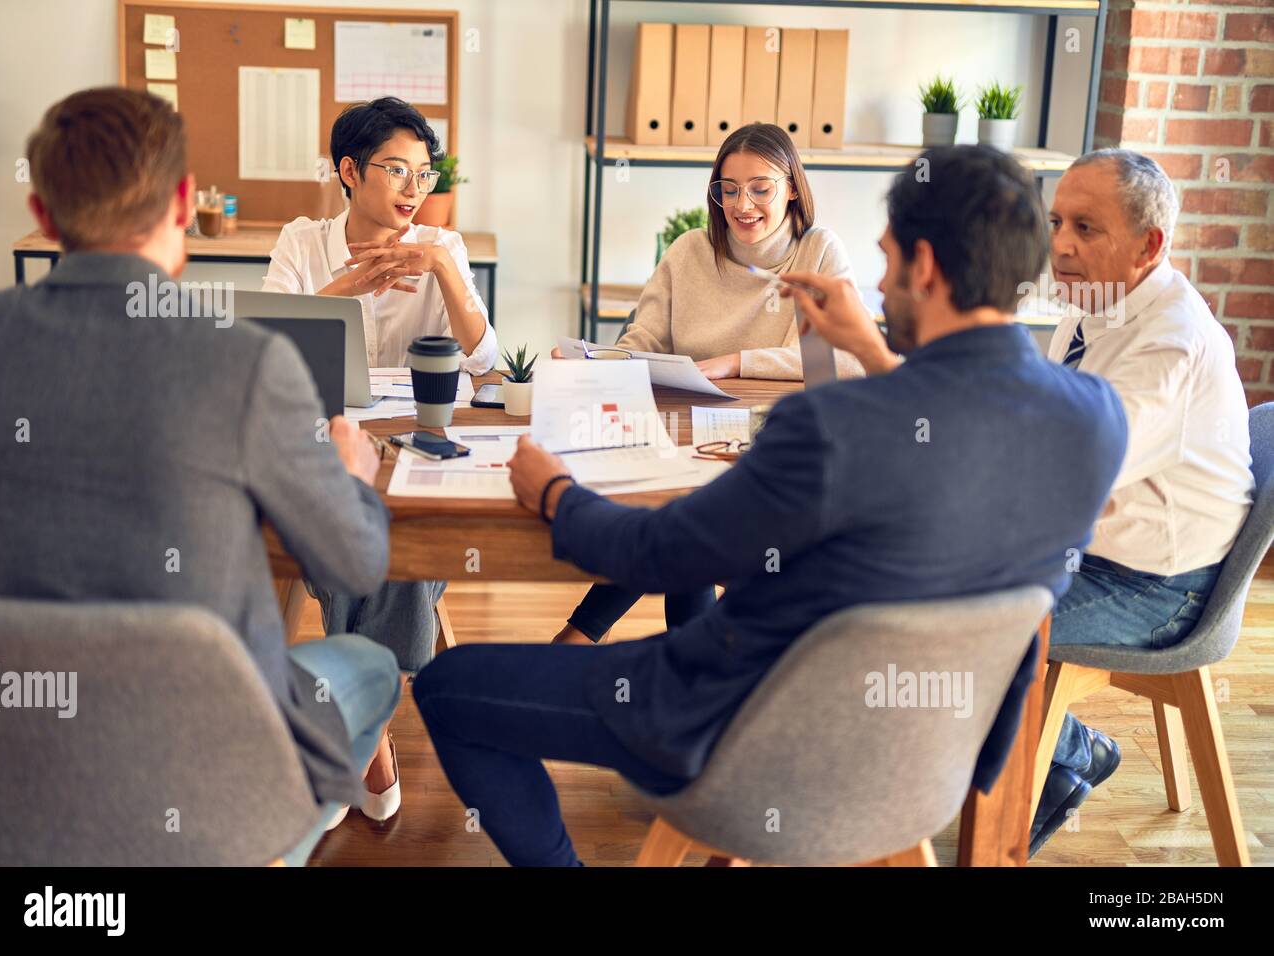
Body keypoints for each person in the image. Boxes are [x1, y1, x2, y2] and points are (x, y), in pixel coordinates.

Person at [411, 145, 1128, 866]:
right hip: (918, 766)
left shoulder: (833, 425)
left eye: (886, 263)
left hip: (741, 739)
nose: (876, 287)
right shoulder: (1095, 419)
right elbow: (954, 442)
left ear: (927, 268)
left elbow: (659, 554)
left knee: (449, 687)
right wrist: (868, 355)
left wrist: (556, 494)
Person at [0, 87, 403, 863]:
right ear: (181, 201)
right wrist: (348, 477)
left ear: (41, 214)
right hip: (210, 786)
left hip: (4, 783)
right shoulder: (244, 360)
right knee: (370, 665)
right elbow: (355, 564)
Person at [550, 122, 864, 648]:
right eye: (729, 188)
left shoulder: (818, 252)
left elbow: (841, 361)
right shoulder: (689, 251)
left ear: (792, 187)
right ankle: (682, 668)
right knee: (685, 510)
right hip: (689, 439)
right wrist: (595, 360)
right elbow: (642, 339)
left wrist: (735, 361)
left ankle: (582, 639)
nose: (743, 204)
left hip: (775, 450)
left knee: (687, 516)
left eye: (761, 188)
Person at [1028, 149, 1254, 857]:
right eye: (1058, 220)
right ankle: (1063, 755)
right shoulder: (1094, 307)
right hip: (1091, 547)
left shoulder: (1169, 344)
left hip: (1158, 589)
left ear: (1150, 244)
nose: (1060, 245)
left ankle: (1065, 758)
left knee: (958, 620)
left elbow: (1065, 472)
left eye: (1086, 228)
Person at [263, 97, 485, 676]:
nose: (412, 188)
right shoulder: (303, 243)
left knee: (401, 528)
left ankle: (363, 710)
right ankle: (375, 710)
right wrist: (344, 288)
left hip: (420, 449)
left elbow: (485, 364)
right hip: (325, 446)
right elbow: (263, 353)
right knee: (360, 522)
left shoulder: (445, 248)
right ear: (350, 172)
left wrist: (442, 269)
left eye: (422, 173)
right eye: (396, 169)